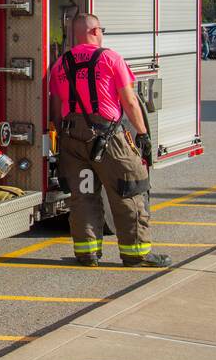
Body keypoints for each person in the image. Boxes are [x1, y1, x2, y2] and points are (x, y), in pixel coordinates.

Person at [48, 14, 170, 268]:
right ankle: (136, 253)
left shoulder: (60, 64)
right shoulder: (110, 58)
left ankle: (87, 253)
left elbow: (56, 107)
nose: (102, 34)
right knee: (130, 188)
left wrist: (66, 139)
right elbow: (129, 100)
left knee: (83, 195)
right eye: (101, 29)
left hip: (72, 138)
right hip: (107, 137)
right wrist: (143, 134)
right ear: (93, 31)